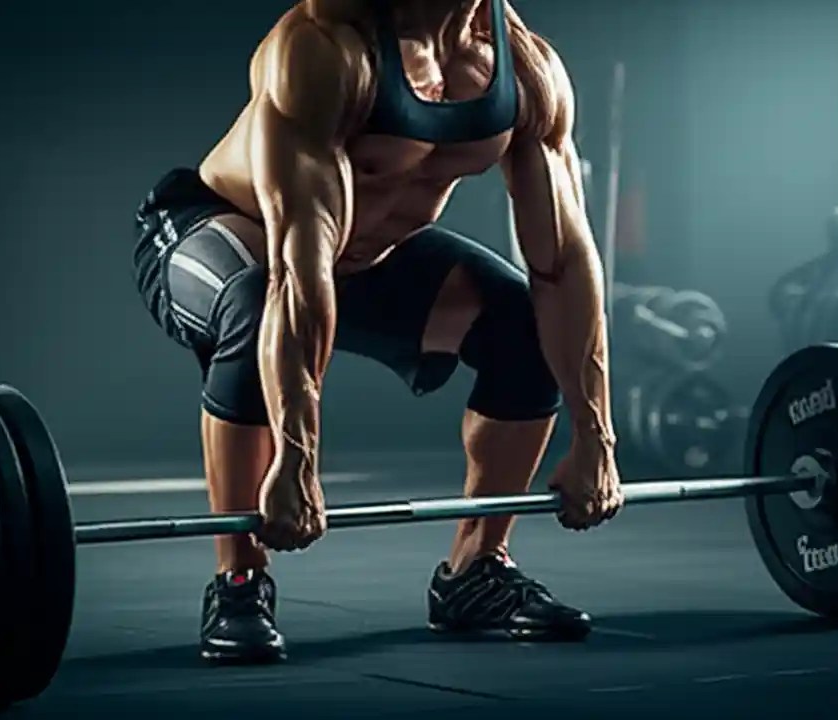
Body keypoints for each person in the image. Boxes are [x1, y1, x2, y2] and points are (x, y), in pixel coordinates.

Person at [132, 0, 623, 663]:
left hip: (366, 261)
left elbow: (561, 262)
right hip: (224, 233)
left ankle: (475, 569)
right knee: (252, 304)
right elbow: (294, 269)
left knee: (519, 322)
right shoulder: (327, 48)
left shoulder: (524, 67)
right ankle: (240, 578)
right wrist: (296, 461)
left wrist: (596, 436)